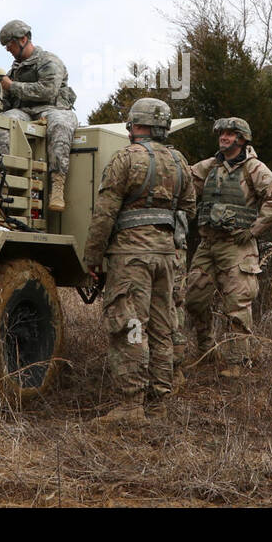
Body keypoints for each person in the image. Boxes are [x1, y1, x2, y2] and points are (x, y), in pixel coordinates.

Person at [82, 98, 196, 423]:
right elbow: (188, 212)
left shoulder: (125, 158)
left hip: (131, 257)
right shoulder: (179, 162)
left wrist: (92, 256)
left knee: (131, 325)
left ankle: (131, 406)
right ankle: (157, 404)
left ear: (136, 125)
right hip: (166, 257)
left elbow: (104, 213)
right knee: (162, 328)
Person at [186, 117, 272, 377]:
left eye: (230, 134)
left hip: (237, 246)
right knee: (193, 298)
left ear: (241, 139)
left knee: (237, 304)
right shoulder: (211, 166)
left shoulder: (254, 168)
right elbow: (185, 181)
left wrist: (253, 230)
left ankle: (237, 362)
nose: (224, 137)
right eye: (221, 133)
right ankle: (206, 349)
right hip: (208, 244)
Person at [0, 19, 78, 212]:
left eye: (10, 44)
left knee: (60, 124)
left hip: (54, 110)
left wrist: (12, 86)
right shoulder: (15, 69)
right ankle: (11, 182)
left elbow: (48, 90)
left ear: (23, 39)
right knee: (5, 122)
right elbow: (6, 100)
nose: (8, 49)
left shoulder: (49, 61)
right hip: (25, 112)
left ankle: (57, 186)